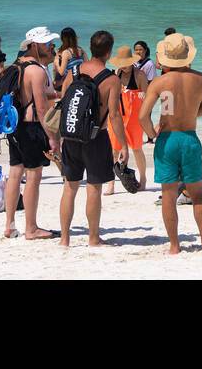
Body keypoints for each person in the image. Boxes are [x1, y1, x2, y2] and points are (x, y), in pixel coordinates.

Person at [139, 32, 202, 253]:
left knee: (169, 196)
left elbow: (143, 116)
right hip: (189, 138)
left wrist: (152, 134)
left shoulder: (160, 82)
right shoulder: (199, 78)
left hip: (168, 140)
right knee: (198, 195)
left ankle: (174, 246)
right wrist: (190, 114)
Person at [59, 30, 127, 247]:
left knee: (69, 187)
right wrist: (123, 144)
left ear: (90, 48)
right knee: (94, 188)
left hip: (71, 135)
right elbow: (115, 115)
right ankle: (93, 238)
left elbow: (64, 100)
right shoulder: (111, 79)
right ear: (109, 52)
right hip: (96, 137)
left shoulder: (74, 71)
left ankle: (64, 239)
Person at [3, 28, 59, 240]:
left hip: (14, 126)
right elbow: (42, 108)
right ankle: (31, 228)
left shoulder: (16, 66)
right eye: (47, 44)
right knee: (34, 176)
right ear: (35, 45)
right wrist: (52, 137)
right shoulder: (37, 70)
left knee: (15, 174)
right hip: (31, 127)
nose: (51, 47)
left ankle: (9, 226)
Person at [106, 44, 149, 194]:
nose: (124, 67)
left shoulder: (140, 75)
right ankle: (111, 183)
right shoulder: (116, 74)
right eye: (121, 64)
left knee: (137, 149)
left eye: (126, 63)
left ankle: (143, 179)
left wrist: (142, 96)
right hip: (117, 116)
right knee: (114, 150)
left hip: (134, 118)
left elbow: (148, 97)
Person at [53, 27, 83, 93]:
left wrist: (57, 62)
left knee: (56, 64)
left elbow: (61, 72)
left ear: (63, 39)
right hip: (80, 81)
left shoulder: (66, 52)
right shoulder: (81, 50)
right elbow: (87, 64)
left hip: (69, 83)